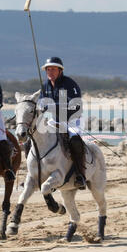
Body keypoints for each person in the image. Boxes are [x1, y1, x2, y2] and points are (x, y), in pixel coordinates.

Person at [38, 57, 86, 190]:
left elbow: (76, 105)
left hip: (72, 120)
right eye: (48, 69)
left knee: (75, 141)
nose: (50, 72)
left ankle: (80, 175)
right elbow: (40, 102)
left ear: (60, 70)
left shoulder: (69, 84)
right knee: (34, 138)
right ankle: (36, 173)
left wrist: (53, 106)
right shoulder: (45, 86)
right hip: (54, 120)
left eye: (53, 69)